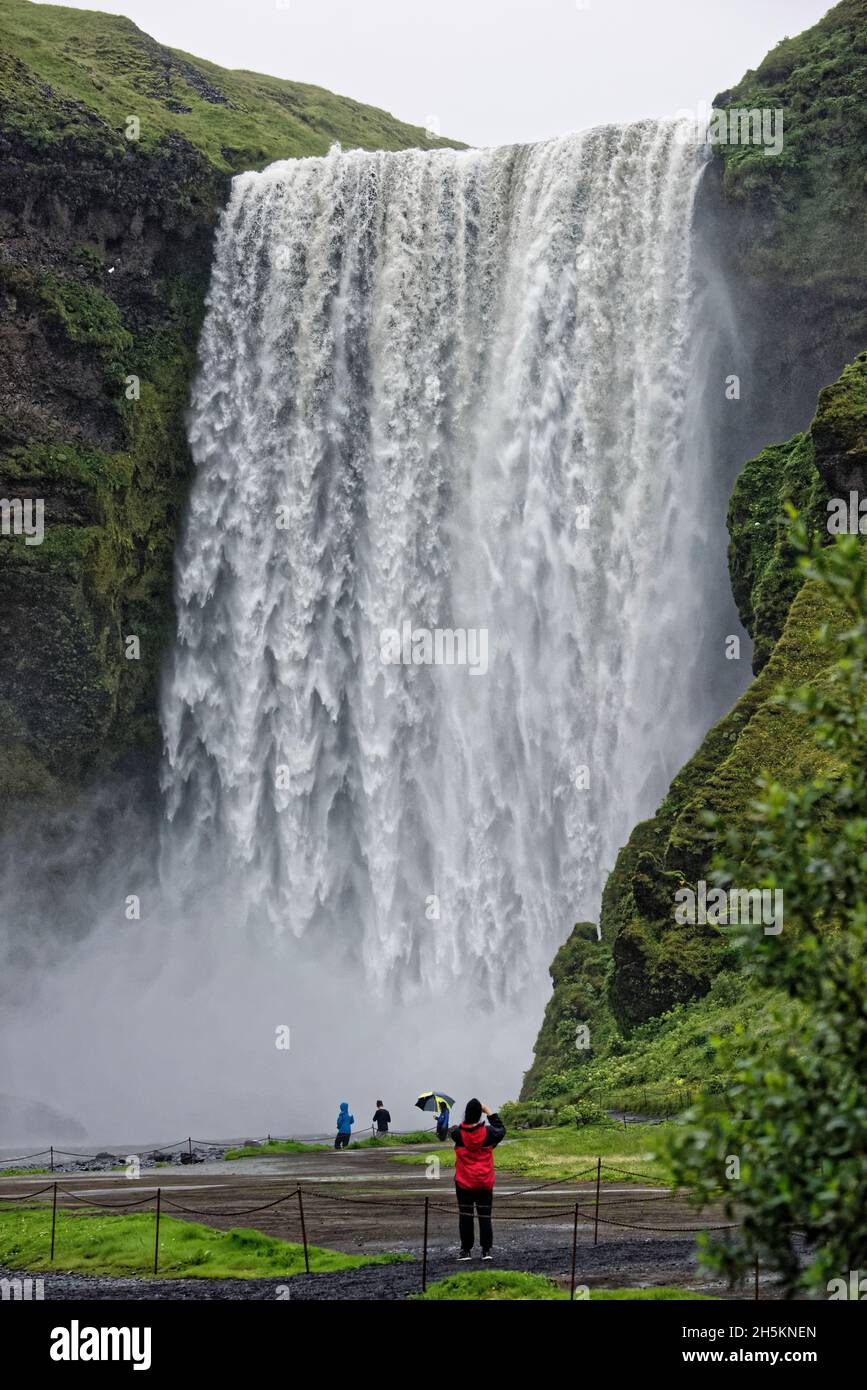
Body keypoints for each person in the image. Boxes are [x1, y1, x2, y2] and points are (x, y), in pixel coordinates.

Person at [450, 1098, 505, 1260]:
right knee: (485, 1216)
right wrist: (489, 1112)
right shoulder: (489, 1133)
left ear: (466, 1114)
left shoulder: (457, 1134)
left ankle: (465, 1250)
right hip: (484, 1181)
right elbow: (501, 1130)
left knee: (465, 1216)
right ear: (479, 1115)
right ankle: (486, 1250)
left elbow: (454, 1130)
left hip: (464, 1182)